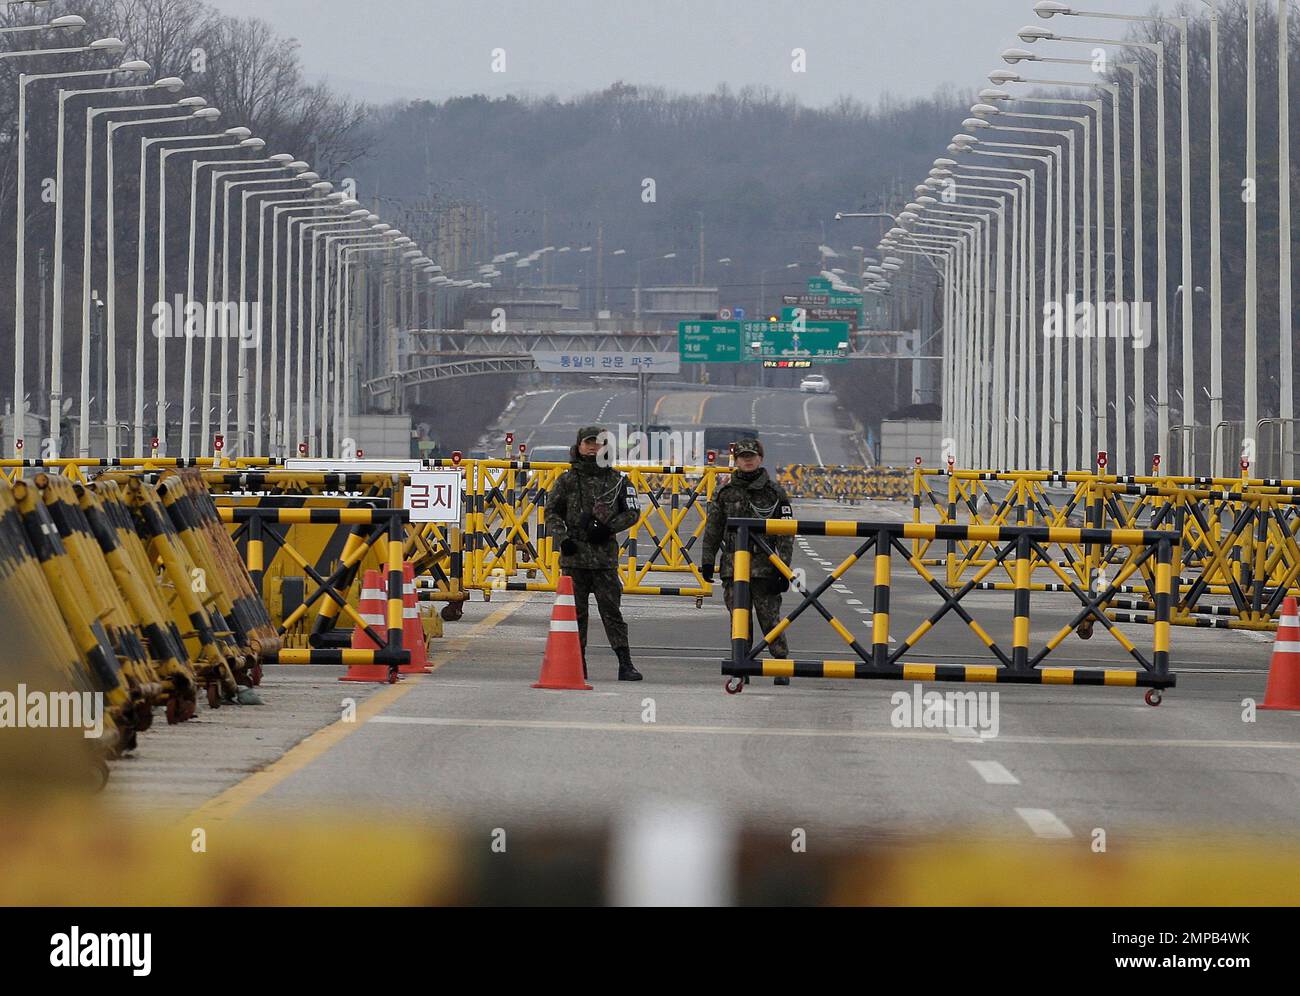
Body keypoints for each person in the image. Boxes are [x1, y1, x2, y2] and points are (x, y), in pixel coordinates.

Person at [544, 426, 643, 681]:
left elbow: (632, 512)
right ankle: (578, 663)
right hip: (574, 556)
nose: (592, 447)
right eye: (588, 443)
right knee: (575, 615)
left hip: (604, 558)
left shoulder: (618, 480)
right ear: (578, 446)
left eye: (598, 443)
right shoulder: (566, 480)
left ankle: (625, 663)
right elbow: (551, 512)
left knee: (612, 612)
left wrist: (610, 527)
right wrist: (562, 539)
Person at [700, 438, 796, 686]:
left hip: (766, 567)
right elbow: (713, 529)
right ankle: (742, 664)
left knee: (770, 618)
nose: (747, 460)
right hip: (733, 567)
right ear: (736, 460)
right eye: (743, 456)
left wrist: (783, 569)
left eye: (751, 456)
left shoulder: (775, 493)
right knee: (739, 620)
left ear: (760, 458)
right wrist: (708, 560)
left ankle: (780, 664)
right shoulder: (724, 492)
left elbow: (786, 534)